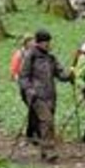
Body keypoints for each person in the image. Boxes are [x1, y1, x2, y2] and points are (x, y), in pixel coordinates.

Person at [18, 29, 73, 160]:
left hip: (50, 95)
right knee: (47, 120)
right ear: (38, 42)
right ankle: (50, 151)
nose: (47, 44)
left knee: (47, 122)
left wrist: (70, 75)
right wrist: (29, 90)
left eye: (48, 41)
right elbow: (23, 77)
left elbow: (60, 74)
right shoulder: (30, 56)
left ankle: (44, 150)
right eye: (44, 42)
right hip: (36, 96)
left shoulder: (51, 57)